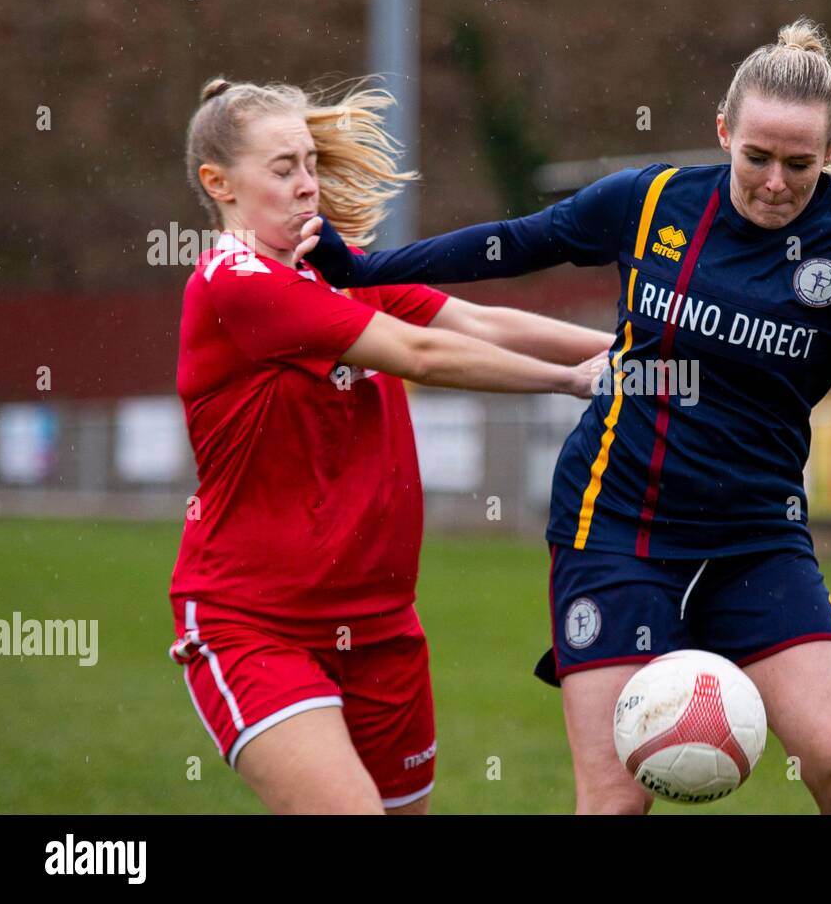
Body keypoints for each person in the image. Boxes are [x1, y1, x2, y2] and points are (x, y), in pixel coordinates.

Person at [303, 19, 831, 815]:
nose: (774, 182)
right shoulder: (653, 201)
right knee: (615, 803)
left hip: (755, 538)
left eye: (799, 164)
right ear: (724, 131)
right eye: (756, 157)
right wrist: (365, 270)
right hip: (616, 525)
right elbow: (516, 243)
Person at [170, 77, 612, 814]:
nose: (309, 185)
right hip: (254, 625)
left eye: (310, 163)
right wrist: (572, 381)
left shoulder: (338, 272)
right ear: (219, 183)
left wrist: (645, 354)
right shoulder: (236, 284)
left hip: (383, 628)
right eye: (284, 169)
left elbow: (474, 324)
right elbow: (421, 353)